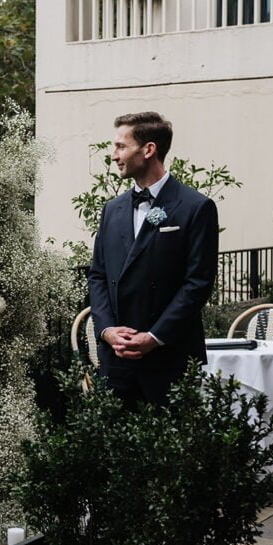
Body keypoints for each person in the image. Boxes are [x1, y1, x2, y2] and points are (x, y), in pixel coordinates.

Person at [87, 112, 219, 406]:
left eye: (121, 146)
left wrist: (155, 336)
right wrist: (107, 330)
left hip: (169, 356)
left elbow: (198, 282)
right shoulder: (112, 209)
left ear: (148, 150)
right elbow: (97, 274)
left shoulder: (196, 207)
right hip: (117, 359)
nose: (114, 156)